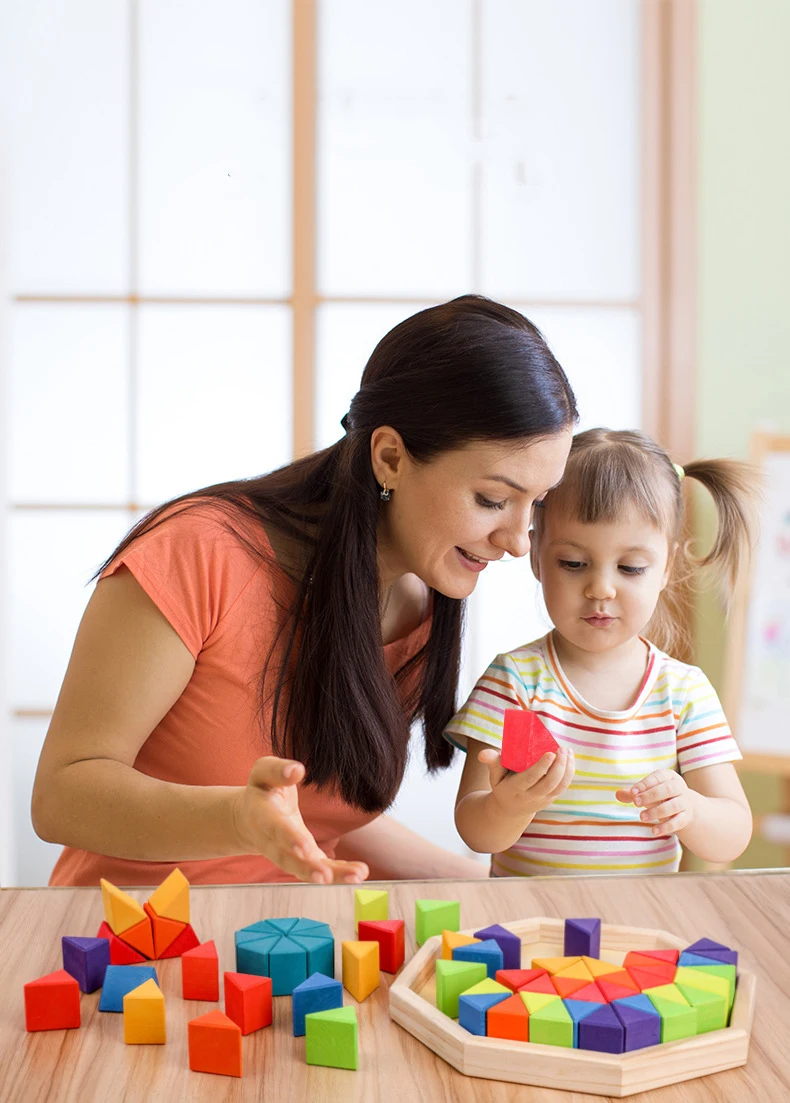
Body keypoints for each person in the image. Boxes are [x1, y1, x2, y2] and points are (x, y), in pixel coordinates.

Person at [32, 295, 577, 887]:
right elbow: (63, 794)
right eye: (493, 500)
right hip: (134, 927)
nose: (517, 542)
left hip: (296, 931)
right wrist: (236, 819)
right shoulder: (198, 553)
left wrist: (488, 889)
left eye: (537, 503)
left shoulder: (418, 600)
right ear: (390, 457)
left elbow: (314, 814)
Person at [449, 427, 758, 877]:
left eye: (630, 567)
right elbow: (474, 831)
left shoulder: (683, 693)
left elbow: (733, 833)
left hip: (640, 916)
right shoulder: (515, 681)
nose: (601, 588)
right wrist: (507, 807)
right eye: (573, 563)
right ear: (536, 558)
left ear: (666, 567)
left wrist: (690, 809)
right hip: (531, 916)